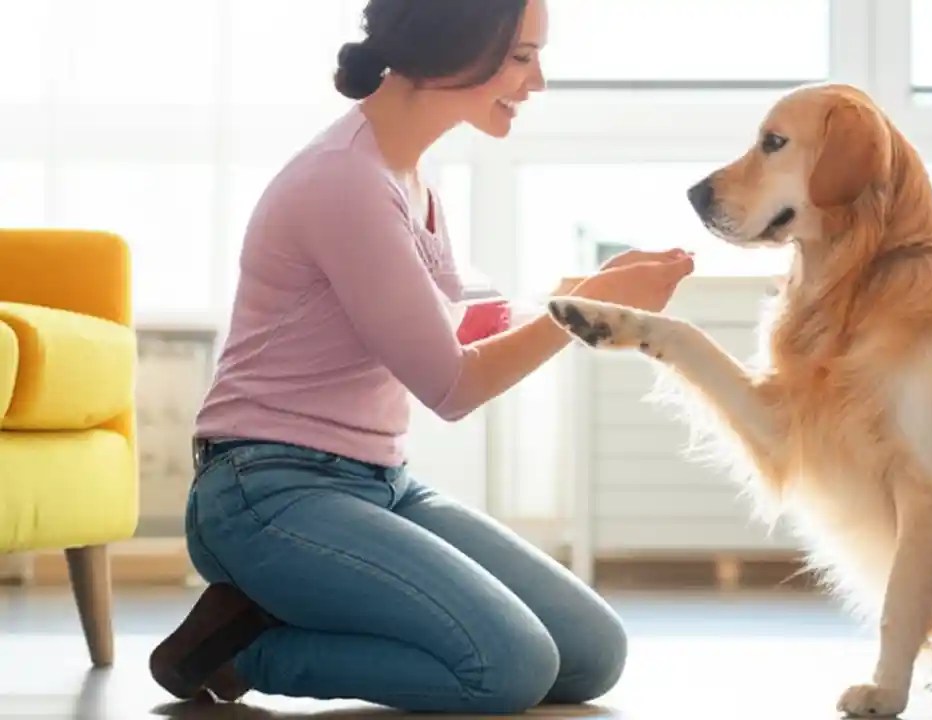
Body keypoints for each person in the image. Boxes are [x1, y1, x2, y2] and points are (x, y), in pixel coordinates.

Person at [147, 0, 695, 714]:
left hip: (379, 482)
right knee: (509, 669)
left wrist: (581, 293)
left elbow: (452, 330)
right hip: (267, 490)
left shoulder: (412, 177)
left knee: (593, 653)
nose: (538, 84)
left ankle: (291, 614)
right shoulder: (343, 182)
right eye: (523, 57)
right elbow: (451, 386)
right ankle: (248, 646)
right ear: (454, 47)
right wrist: (582, 311)